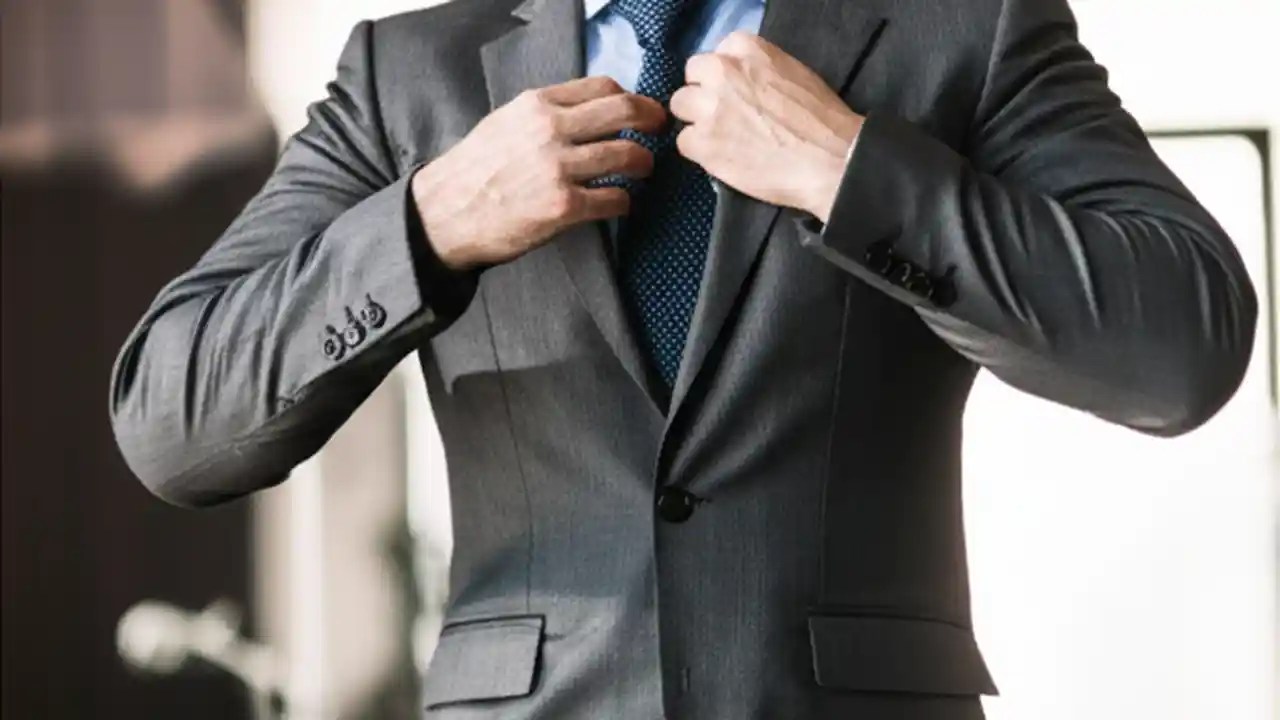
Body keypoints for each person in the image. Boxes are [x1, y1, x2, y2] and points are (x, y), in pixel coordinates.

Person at [108, 0, 1258, 715]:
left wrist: (850, 173)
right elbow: (171, 419)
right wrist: (429, 222)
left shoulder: (964, 27)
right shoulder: (405, 74)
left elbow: (1181, 346)